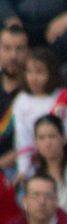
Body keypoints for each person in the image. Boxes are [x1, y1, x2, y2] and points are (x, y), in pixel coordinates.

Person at [12, 48, 67, 179]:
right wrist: (23, 171)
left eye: (39, 72)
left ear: (51, 73)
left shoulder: (66, 98)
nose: (34, 78)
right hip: (35, 167)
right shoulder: (20, 101)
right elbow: (23, 140)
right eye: (29, 72)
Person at [0, 22, 28, 173]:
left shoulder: (34, 92)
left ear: (28, 52)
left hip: (20, 170)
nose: (13, 56)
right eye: (7, 48)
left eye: (19, 49)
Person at [30, 115, 67, 203]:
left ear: (64, 138)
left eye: (52, 136)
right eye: (41, 138)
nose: (47, 143)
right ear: (36, 143)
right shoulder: (36, 178)